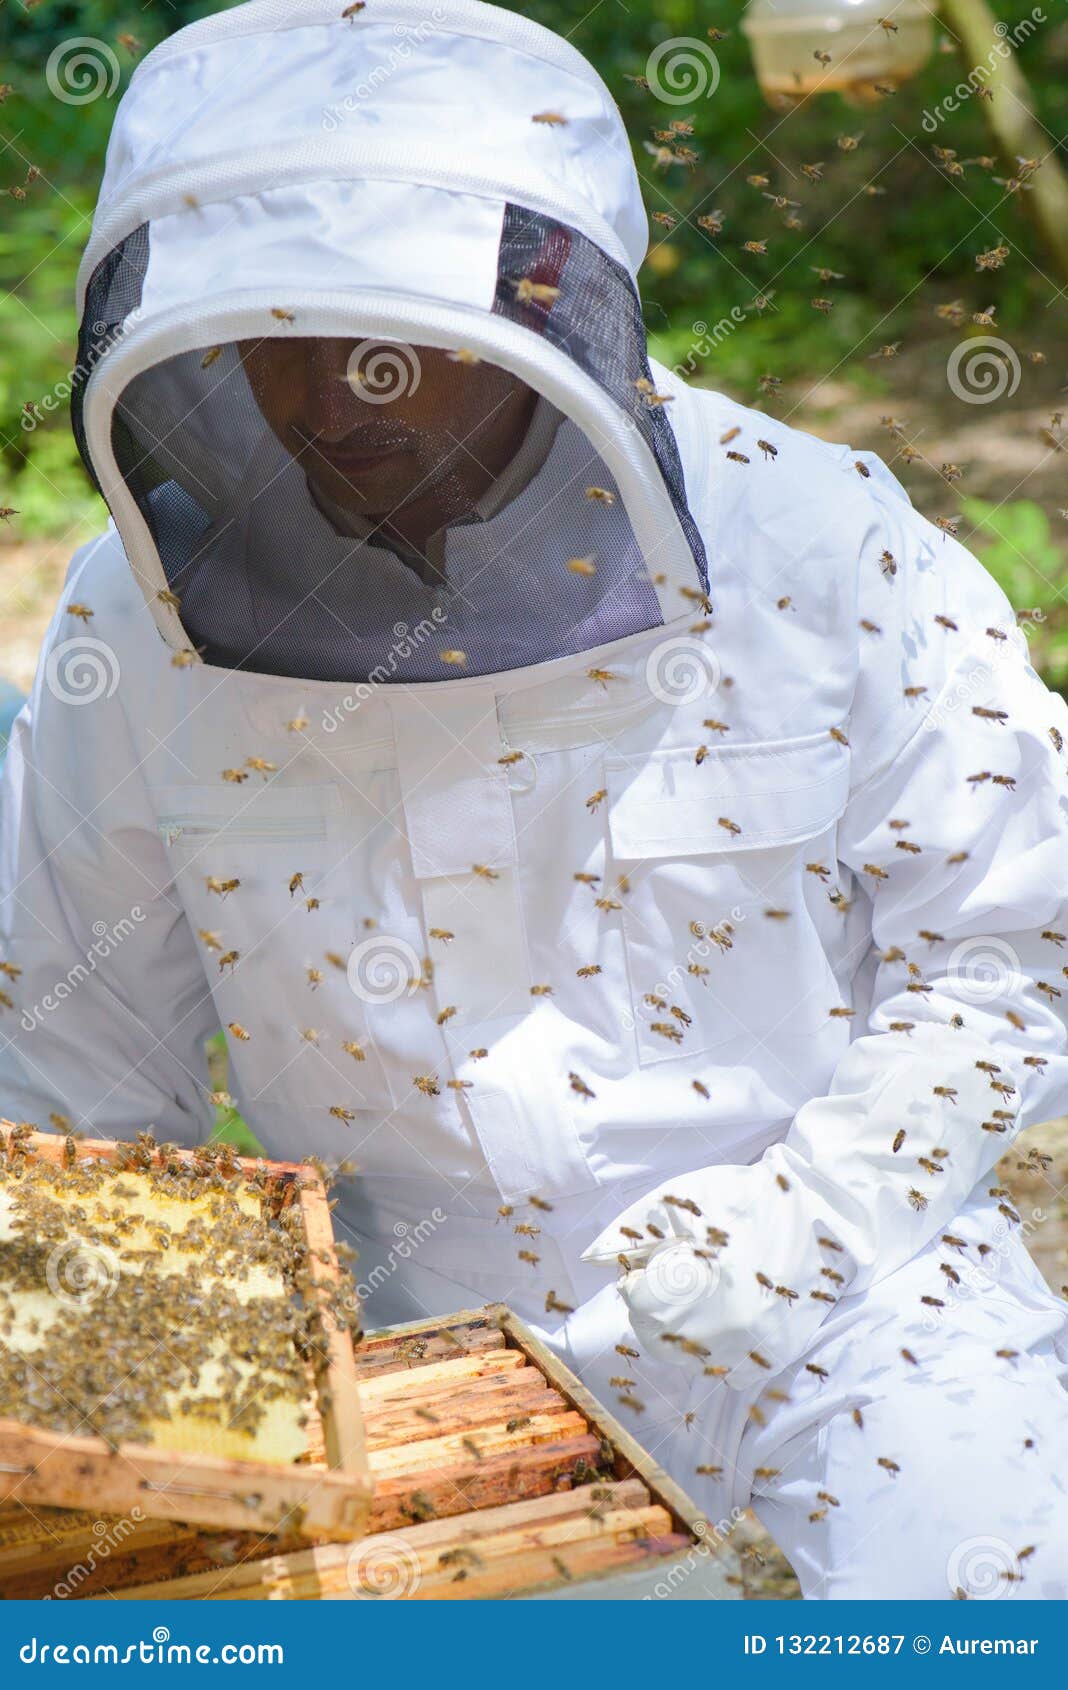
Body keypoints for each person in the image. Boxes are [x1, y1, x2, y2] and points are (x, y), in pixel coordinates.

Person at [2, 0, 1068, 1600]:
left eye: (390, 333)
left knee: (996, 1603)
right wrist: (113, 1439)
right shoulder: (130, 628)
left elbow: (1010, 946)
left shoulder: (818, 546)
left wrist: (817, 1216)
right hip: (404, 1345)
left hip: (860, 1300)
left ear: (548, 302)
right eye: (268, 335)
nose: (331, 394)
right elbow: (77, 1077)